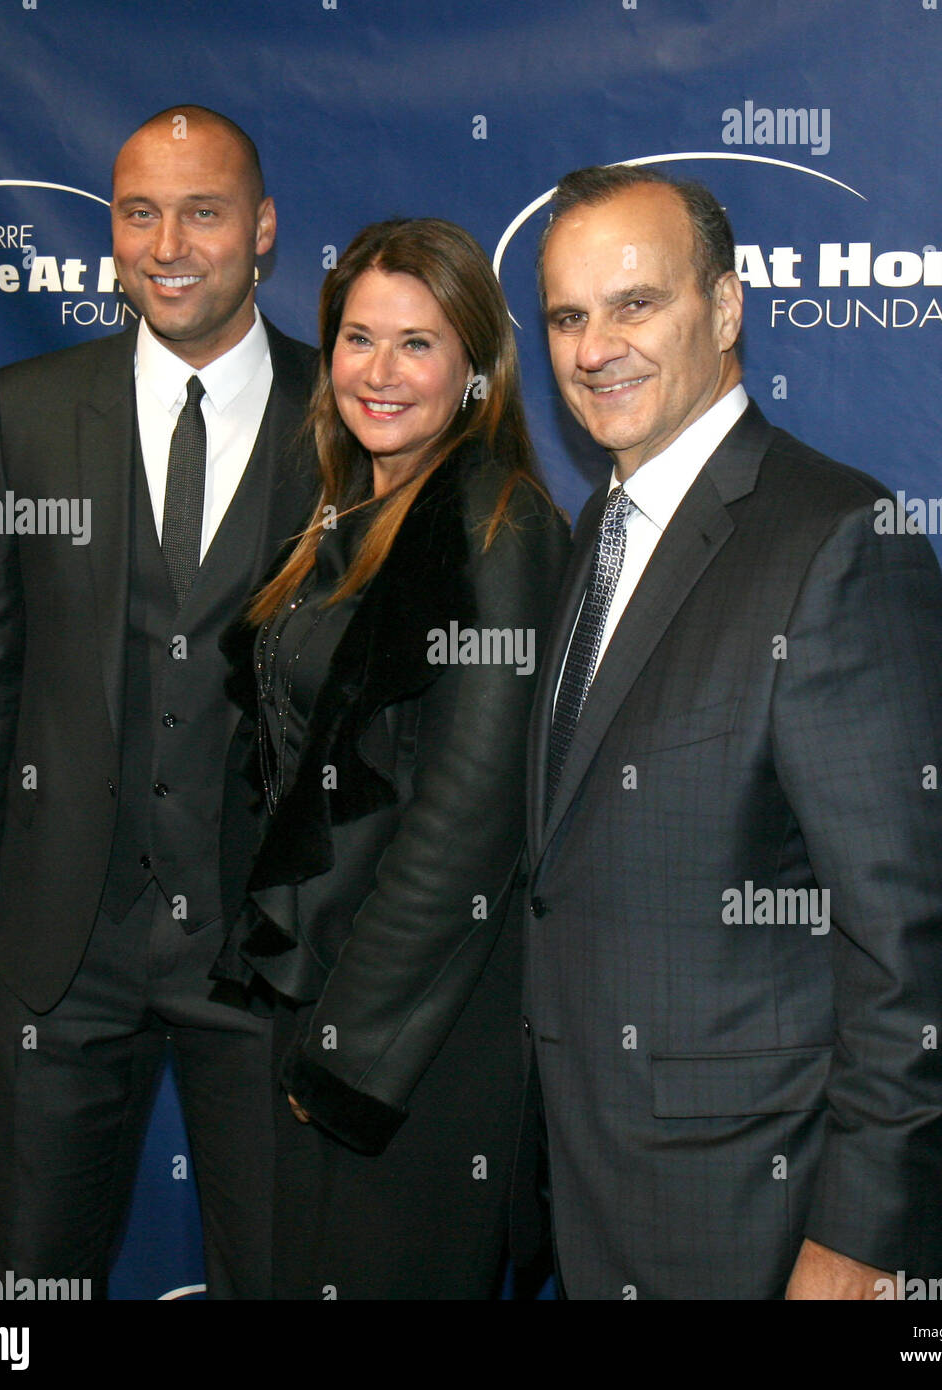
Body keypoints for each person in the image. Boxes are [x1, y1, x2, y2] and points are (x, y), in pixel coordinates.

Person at [517, 164, 942, 1299]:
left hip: (759, 1218)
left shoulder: (836, 540)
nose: (595, 349)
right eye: (568, 317)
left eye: (637, 304)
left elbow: (913, 943)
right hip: (594, 1184)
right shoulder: (602, 523)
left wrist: (860, 1246)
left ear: (725, 312)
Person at [0, 105, 317, 1298]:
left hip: (269, 951)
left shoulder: (352, 414)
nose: (167, 241)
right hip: (62, 942)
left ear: (262, 231)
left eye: (202, 210)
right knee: (33, 1282)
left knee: (282, 1275)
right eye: (138, 212)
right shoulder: (26, 410)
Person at [213, 216, 569, 1299]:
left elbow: (466, 826)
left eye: (418, 343)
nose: (380, 370)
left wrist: (349, 1054)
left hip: (411, 1050)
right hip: (315, 1011)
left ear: (476, 368)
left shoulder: (495, 524)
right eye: (358, 338)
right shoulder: (349, 509)